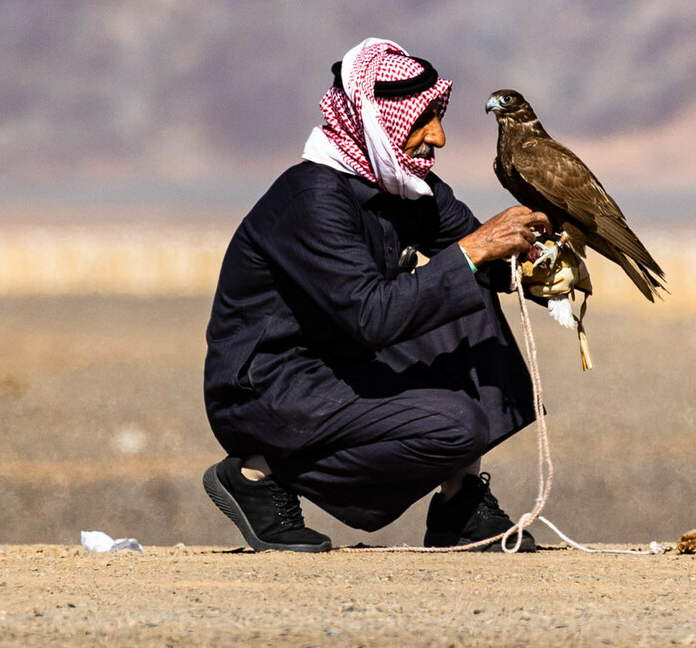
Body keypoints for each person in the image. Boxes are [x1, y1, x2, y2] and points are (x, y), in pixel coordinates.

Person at [200, 38, 554, 551]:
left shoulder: (406, 188)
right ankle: (258, 475)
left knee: (470, 292)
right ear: (375, 120)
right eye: (423, 118)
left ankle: (460, 503)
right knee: (455, 427)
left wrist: (546, 267)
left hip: (342, 359)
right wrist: (478, 250)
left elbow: (487, 260)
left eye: (438, 115)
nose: (439, 136)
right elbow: (374, 316)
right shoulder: (313, 198)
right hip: (270, 385)